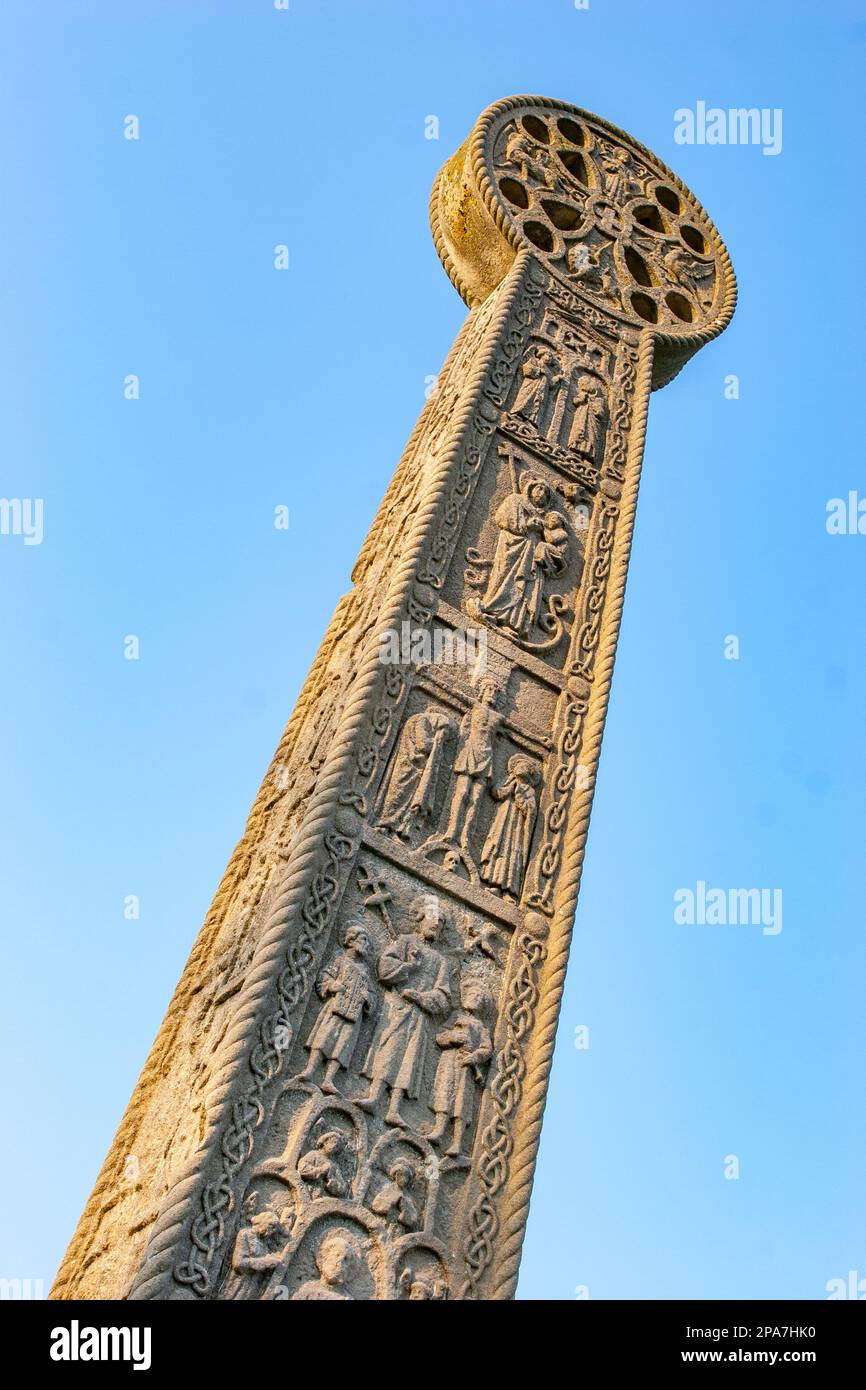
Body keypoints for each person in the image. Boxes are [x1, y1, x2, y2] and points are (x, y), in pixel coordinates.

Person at [358, 900, 456, 1128]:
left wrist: (422, 998)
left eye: (441, 922)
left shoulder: (441, 961)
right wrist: (408, 968)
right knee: (389, 1049)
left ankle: (394, 1109)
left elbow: (444, 997)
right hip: (396, 1008)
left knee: (409, 1060)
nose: (436, 924)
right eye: (433, 918)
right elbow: (384, 969)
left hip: (420, 1015)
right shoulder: (404, 942)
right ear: (421, 919)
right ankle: (374, 1096)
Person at [299, 923, 377, 1095]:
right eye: (364, 940)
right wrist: (332, 985)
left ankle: (328, 1079)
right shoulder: (339, 960)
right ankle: (310, 1070)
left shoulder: (365, 970)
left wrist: (367, 998)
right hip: (335, 1008)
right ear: (351, 940)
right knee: (324, 1037)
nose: (367, 945)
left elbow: (372, 994)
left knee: (343, 1044)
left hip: (353, 1015)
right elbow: (325, 976)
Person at [428, 978, 493, 1156]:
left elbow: (487, 1049)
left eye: (479, 997)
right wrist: (452, 1037)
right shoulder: (455, 1017)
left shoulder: (481, 1027)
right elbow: (440, 1035)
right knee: (444, 1094)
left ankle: (457, 1142)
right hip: (449, 1060)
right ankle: (439, 1130)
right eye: (472, 994)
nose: (475, 998)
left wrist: (474, 1057)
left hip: (467, 1066)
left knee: (461, 1103)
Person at [292, 1228, 363, 1301]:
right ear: (324, 1257)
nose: (339, 1263)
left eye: (346, 1259)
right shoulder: (307, 1291)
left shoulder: (347, 1298)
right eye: (337, 1255)